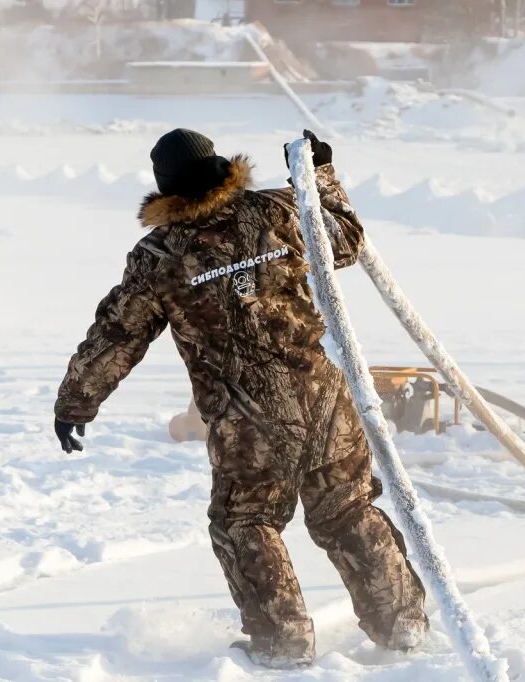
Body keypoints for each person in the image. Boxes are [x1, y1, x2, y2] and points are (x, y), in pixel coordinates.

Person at [53, 129, 427, 669]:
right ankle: (404, 626)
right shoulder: (276, 210)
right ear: (218, 165)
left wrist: (75, 403)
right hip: (322, 396)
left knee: (244, 521)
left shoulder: (160, 255)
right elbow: (344, 239)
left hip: (247, 420)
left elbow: (118, 334)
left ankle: (282, 644)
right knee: (347, 509)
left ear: (163, 185)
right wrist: (321, 176)